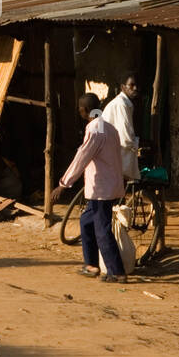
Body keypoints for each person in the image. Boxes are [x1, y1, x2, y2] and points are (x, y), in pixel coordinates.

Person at [48, 93, 127, 283]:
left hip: (102, 190)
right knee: (86, 222)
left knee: (102, 230)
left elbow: (81, 157)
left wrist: (63, 184)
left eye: (79, 108)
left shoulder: (95, 129)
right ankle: (91, 265)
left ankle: (117, 272)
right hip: (106, 185)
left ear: (84, 111)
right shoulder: (109, 127)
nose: (78, 111)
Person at [101, 72, 143, 184]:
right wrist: (137, 144)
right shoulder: (121, 104)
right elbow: (125, 137)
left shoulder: (125, 103)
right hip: (112, 150)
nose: (135, 88)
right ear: (123, 87)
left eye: (137, 85)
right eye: (131, 85)